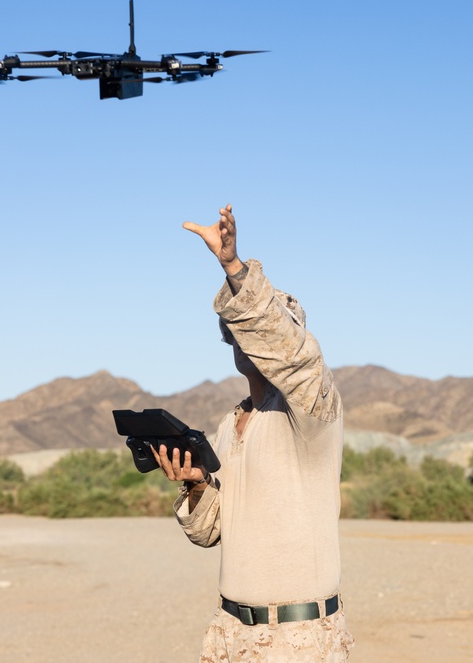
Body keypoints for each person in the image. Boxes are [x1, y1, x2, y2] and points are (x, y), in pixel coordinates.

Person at [152, 204, 354, 661]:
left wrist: (232, 268)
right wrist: (196, 484)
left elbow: (292, 355)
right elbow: (209, 534)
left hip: (299, 640)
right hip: (229, 634)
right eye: (236, 332)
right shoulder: (230, 424)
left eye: (256, 330)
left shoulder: (313, 409)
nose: (246, 339)